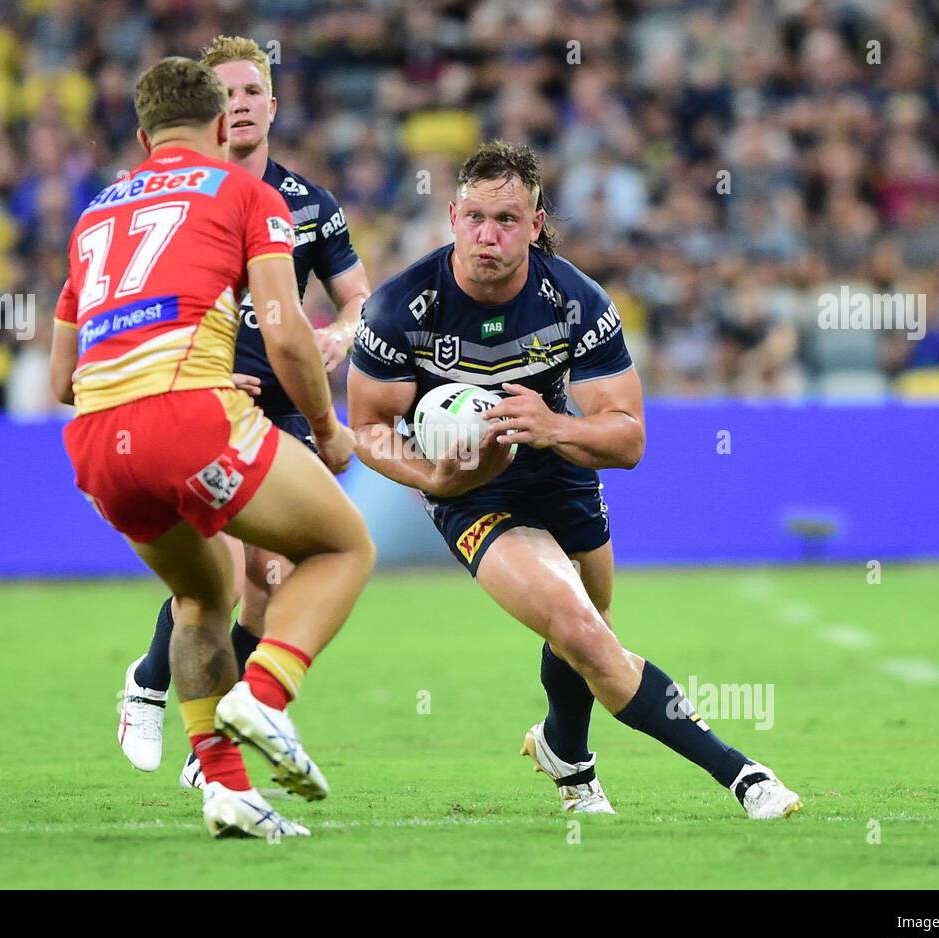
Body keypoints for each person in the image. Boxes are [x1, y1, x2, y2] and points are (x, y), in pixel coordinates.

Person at [346, 140, 800, 819]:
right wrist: (432, 474)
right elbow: (370, 427)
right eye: (474, 217)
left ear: (534, 224)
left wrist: (556, 427)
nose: (487, 235)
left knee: (587, 629)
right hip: (472, 493)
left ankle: (565, 751)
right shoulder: (401, 308)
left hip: (562, 474)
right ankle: (744, 775)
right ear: (450, 216)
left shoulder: (576, 302)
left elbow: (629, 439)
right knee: (584, 632)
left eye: (506, 219)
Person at [50, 56, 374, 837]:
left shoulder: (95, 213)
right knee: (344, 548)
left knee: (201, 598)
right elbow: (288, 330)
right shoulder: (246, 191)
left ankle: (226, 790)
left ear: (142, 135)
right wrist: (328, 430)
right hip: (187, 418)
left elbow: (61, 377)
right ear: (221, 124)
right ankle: (263, 696)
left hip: (95, 444)